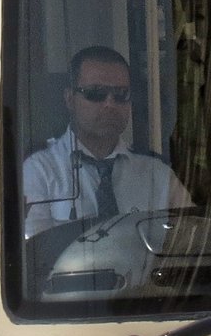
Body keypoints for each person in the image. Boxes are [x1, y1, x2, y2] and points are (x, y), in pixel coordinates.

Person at [22, 46, 188, 237]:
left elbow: (190, 241)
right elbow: (37, 251)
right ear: (69, 99)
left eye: (121, 94)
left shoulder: (157, 174)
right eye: (95, 93)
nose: (110, 104)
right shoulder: (39, 172)